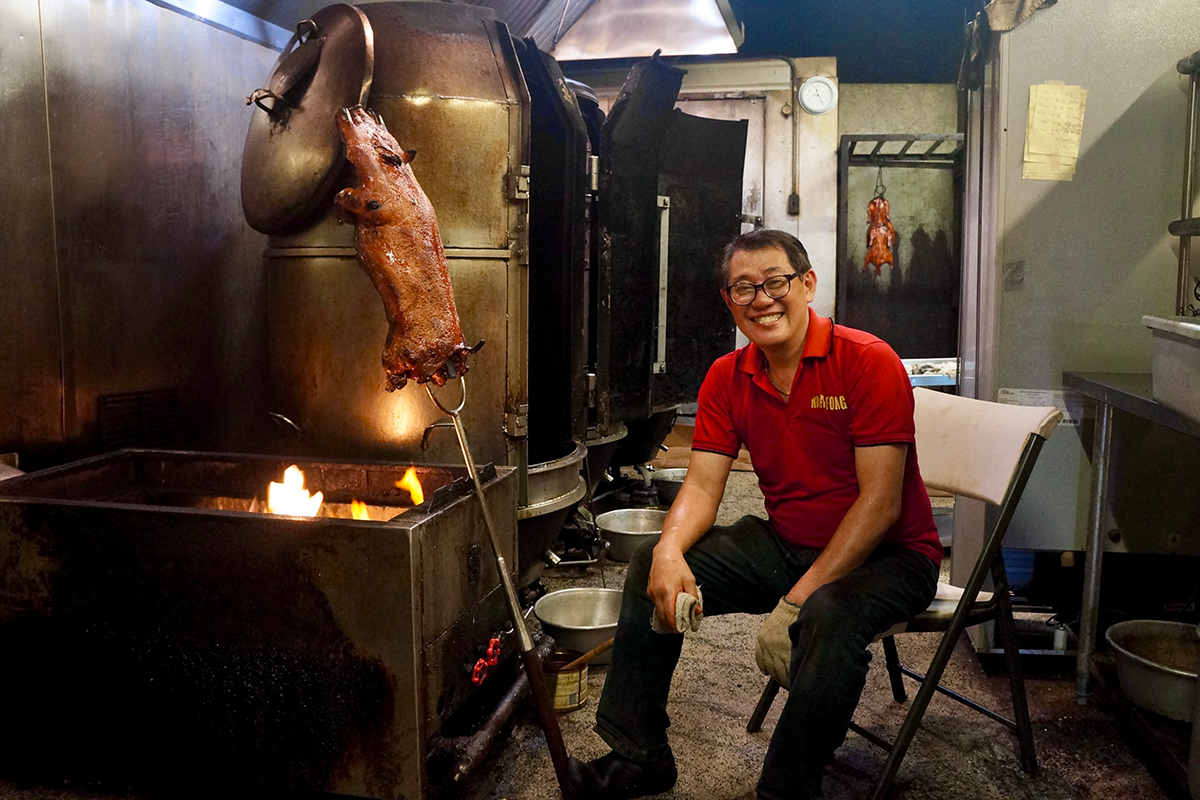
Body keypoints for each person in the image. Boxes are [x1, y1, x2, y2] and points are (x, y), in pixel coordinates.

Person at [565, 229, 943, 800]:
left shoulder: (868, 362)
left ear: (807, 284)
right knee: (648, 566)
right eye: (744, 288)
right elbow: (702, 484)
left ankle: (787, 789)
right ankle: (638, 757)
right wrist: (668, 552)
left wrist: (797, 599)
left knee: (829, 613)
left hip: (891, 557)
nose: (762, 299)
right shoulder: (728, 376)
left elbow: (881, 504)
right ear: (728, 302)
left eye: (776, 282)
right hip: (789, 544)